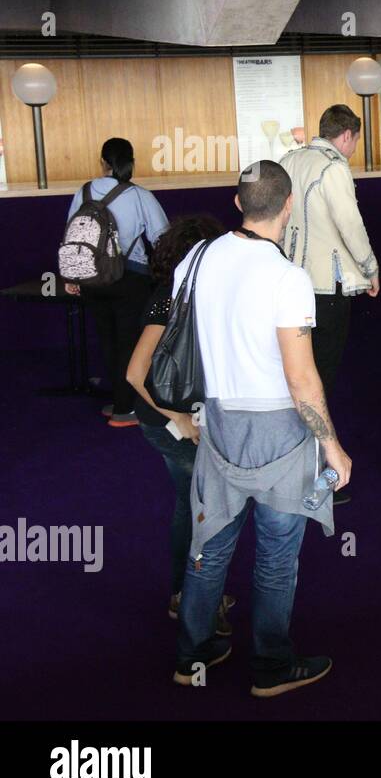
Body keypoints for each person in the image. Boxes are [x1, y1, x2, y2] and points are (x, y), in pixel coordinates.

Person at [173, 161, 351, 697]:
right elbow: (301, 380)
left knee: (209, 546)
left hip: (219, 421)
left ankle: (193, 654)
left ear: (237, 202)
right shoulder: (287, 278)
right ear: (290, 204)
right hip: (279, 429)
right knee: (276, 557)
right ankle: (271, 666)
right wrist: (333, 447)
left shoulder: (195, 258)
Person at [123, 214, 229, 628]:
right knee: (199, 508)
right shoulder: (170, 298)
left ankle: (191, 592)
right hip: (166, 420)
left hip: (180, 417)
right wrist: (179, 418)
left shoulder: (189, 293)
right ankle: (193, 599)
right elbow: (135, 373)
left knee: (196, 505)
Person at [64, 138, 170, 426]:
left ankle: (119, 401)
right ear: (131, 163)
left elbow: (72, 234)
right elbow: (162, 237)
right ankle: (127, 408)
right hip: (129, 277)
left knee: (108, 339)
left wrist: (71, 276)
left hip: (91, 279)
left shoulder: (84, 191)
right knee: (129, 341)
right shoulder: (139, 195)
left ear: (103, 163)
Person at [279, 104, 379, 401]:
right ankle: (317, 440)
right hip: (327, 285)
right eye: (357, 140)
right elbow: (349, 224)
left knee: (295, 368)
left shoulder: (288, 160)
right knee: (322, 371)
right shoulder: (333, 167)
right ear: (347, 135)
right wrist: (370, 267)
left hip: (288, 280)